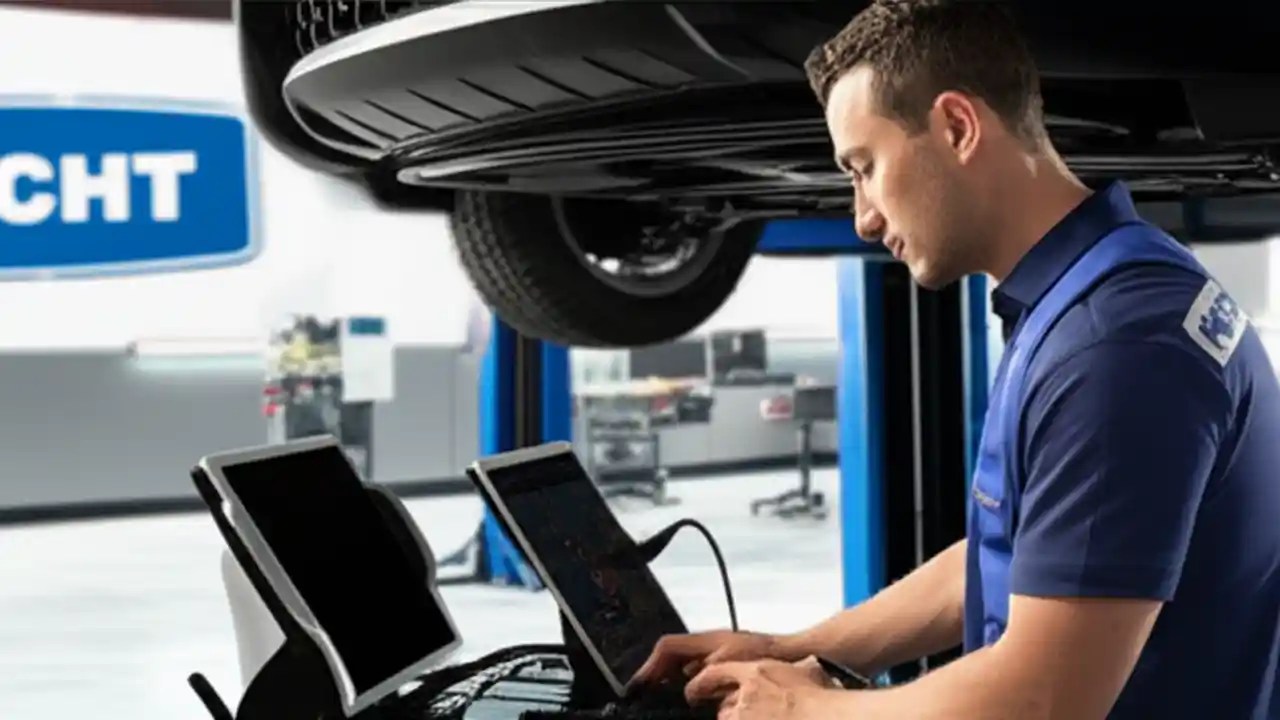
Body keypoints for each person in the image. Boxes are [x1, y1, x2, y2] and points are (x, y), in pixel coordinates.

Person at [630, 1, 1280, 718]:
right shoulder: (1100, 290)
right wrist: (789, 650)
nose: (863, 215)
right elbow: (1017, 558)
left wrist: (803, 710)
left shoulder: (1114, 346)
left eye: (865, 167)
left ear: (956, 127)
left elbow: (1044, 699)